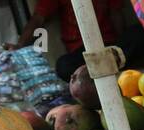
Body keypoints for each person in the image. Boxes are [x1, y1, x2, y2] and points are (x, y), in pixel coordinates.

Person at [7, 0, 135, 81]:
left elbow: (116, 13)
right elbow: (38, 19)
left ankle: (114, 60)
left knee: (140, 34)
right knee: (63, 66)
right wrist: (20, 45)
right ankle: (110, 63)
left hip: (111, 46)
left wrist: (121, 43)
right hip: (82, 52)